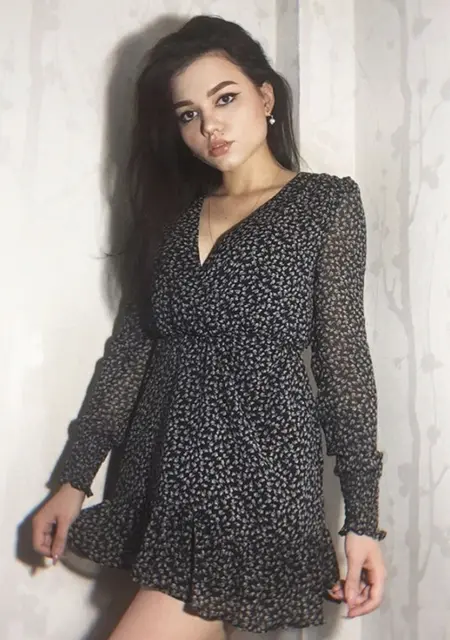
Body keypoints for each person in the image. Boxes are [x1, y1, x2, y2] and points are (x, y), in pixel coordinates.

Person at [32, 14, 387, 640]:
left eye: (225, 99)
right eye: (188, 114)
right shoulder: (172, 216)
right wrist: (73, 478)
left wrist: (362, 519)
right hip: (160, 471)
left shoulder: (324, 205)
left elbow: (345, 367)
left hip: (256, 474)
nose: (209, 127)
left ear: (265, 97)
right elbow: (129, 355)